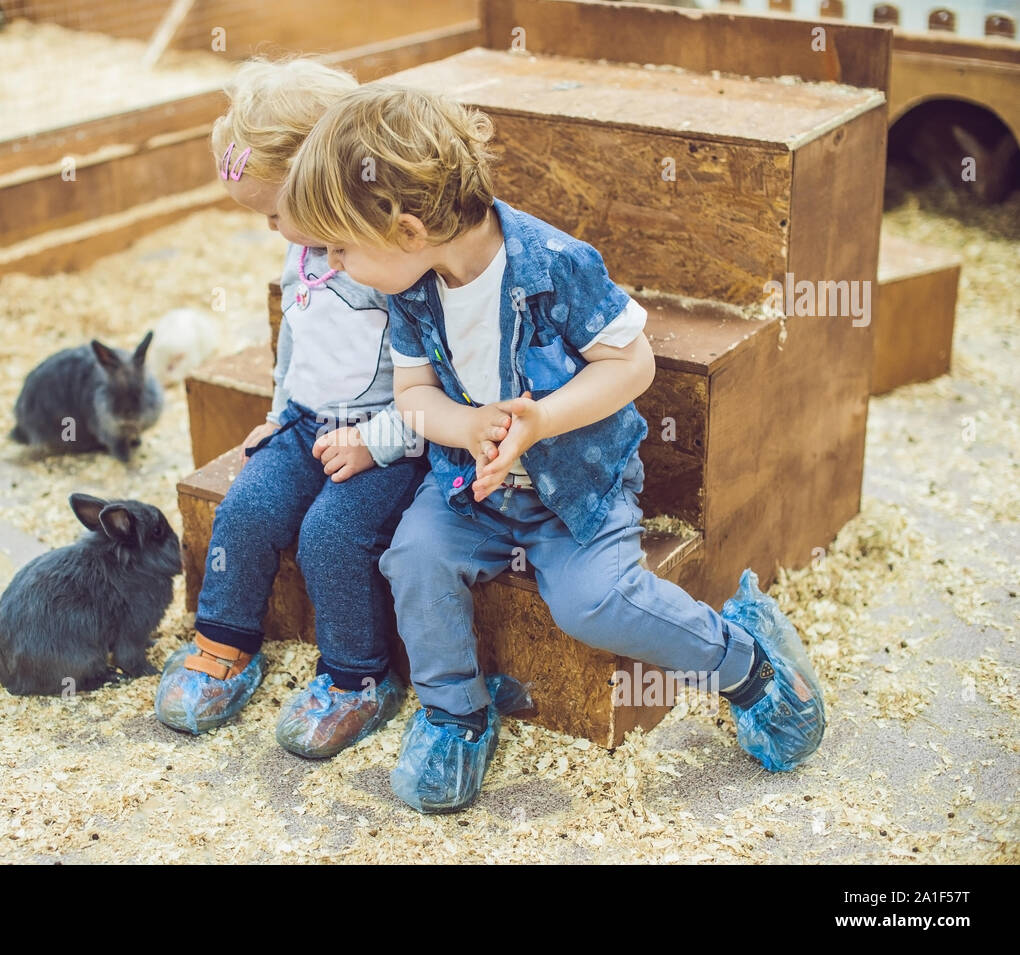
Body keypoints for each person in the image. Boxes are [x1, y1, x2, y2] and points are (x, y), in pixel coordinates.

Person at [282, 84, 826, 811]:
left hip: (576, 490)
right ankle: (456, 715)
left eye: (341, 247)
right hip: (470, 487)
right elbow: (415, 398)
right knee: (413, 556)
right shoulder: (410, 291)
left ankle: (744, 661)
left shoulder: (553, 264)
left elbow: (632, 366)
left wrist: (538, 421)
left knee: (592, 602)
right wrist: (465, 428)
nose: (333, 263)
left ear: (408, 229)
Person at [155, 60, 426, 759]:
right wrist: (280, 410)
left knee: (330, 536)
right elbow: (294, 340)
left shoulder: (386, 263)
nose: (274, 228)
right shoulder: (301, 254)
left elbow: (442, 385)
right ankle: (225, 640)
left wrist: (379, 441)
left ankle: (357, 676)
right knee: (245, 507)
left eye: (277, 210)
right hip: (308, 421)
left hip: (388, 437)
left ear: (325, 177)